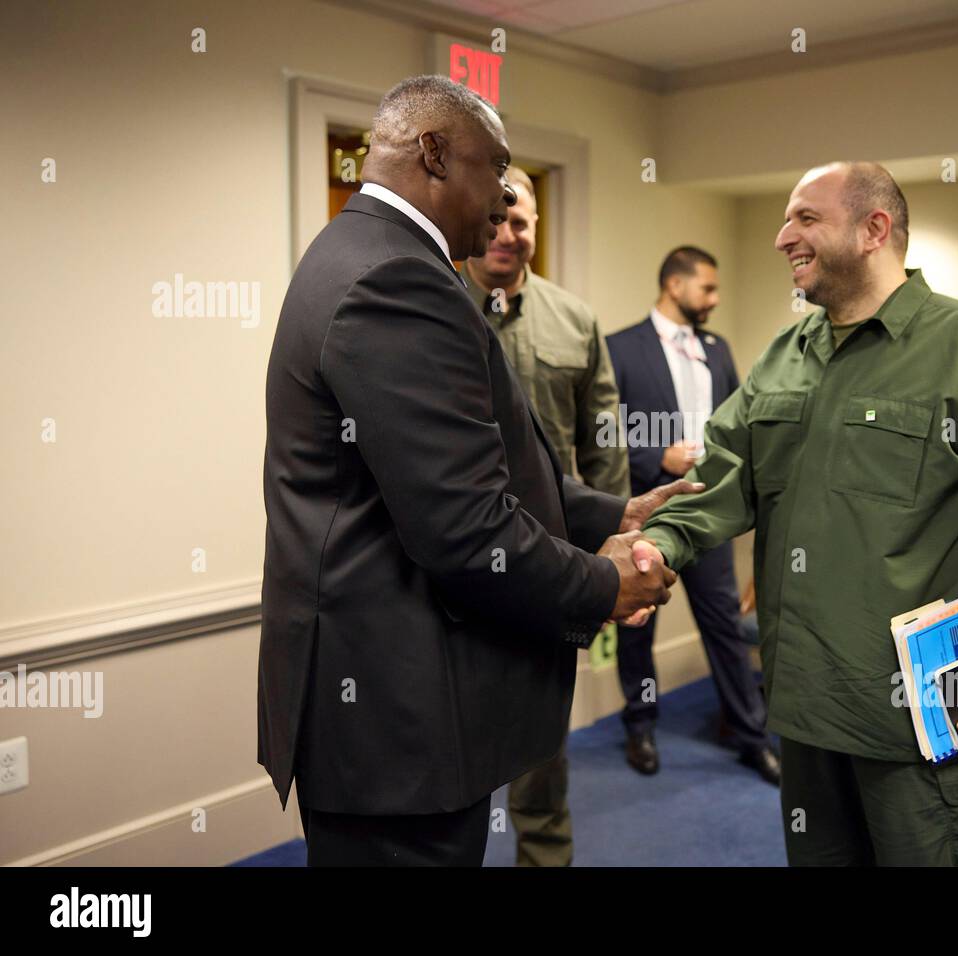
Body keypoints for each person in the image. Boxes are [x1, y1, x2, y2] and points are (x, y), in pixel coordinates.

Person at [257, 75, 690, 866]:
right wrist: (605, 584)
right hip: (393, 722)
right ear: (432, 153)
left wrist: (607, 514)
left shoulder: (367, 251)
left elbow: (476, 466)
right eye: (495, 169)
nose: (505, 200)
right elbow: (463, 526)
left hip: (388, 708)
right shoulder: (395, 278)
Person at [633, 162, 958, 866]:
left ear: (875, 228)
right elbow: (723, 474)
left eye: (805, 218)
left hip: (920, 731)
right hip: (806, 715)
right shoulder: (785, 356)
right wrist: (659, 546)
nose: (783, 235)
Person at [462, 166, 630, 867]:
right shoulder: (435, 308)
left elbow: (604, 443)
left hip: (548, 573)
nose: (506, 233)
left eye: (520, 220)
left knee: (541, 762)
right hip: (457, 572)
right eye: (494, 218)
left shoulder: (575, 318)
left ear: (537, 226)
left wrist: (618, 550)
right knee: (455, 764)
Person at [605, 247, 780, 785]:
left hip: (709, 512)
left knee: (724, 623)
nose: (715, 298)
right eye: (706, 288)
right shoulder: (620, 348)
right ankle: (641, 724)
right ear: (674, 285)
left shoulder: (718, 347)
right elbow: (602, 433)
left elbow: (736, 421)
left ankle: (751, 734)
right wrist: (657, 455)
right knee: (637, 627)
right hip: (647, 513)